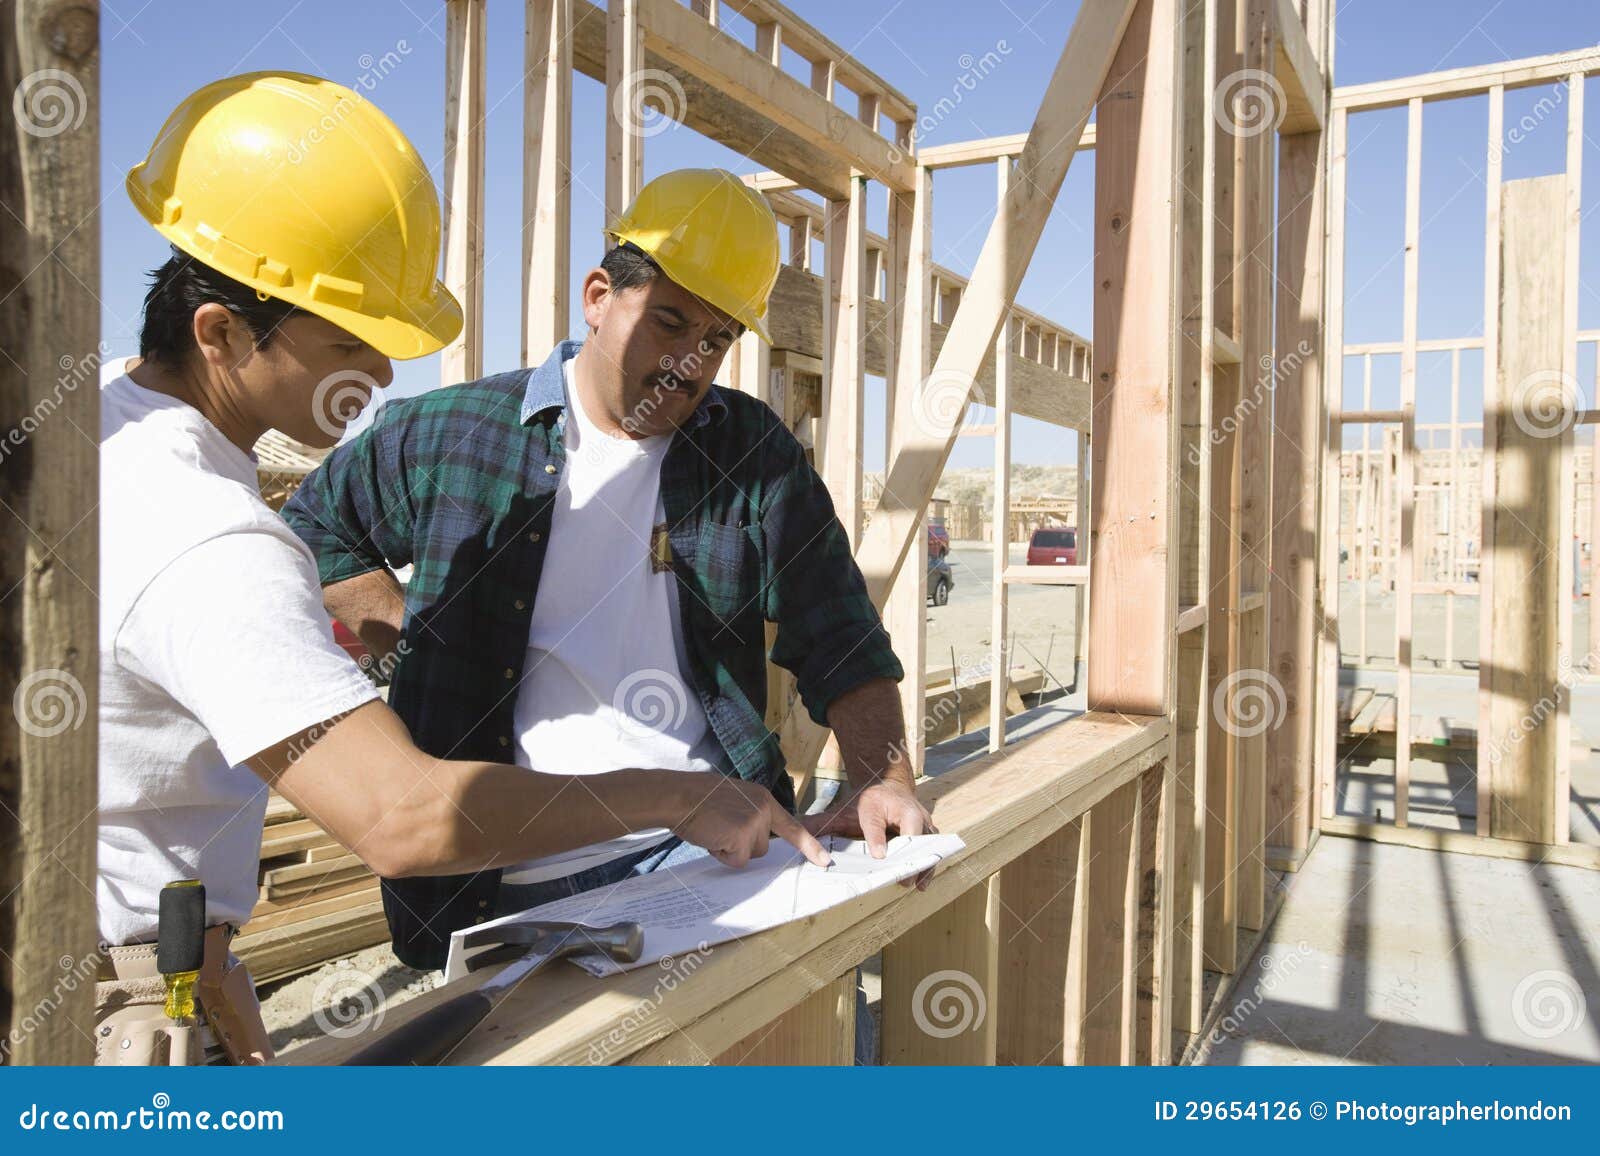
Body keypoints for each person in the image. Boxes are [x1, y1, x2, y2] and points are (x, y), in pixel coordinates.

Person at [96, 77, 824, 1067]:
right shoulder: (216, 541)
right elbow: (401, 816)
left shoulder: (97, 431)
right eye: (349, 341)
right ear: (220, 331)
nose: (379, 375)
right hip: (133, 1005)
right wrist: (677, 796)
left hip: (143, 965)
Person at [283, 169, 934, 1006]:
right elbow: (313, 531)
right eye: (670, 322)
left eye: (718, 338)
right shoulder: (451, 433)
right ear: (598, 297)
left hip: (714, 848)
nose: (689, 363)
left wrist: (884, 775)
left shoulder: (750, 453)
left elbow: (838, 628)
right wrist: (414, 636)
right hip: (505, 879)